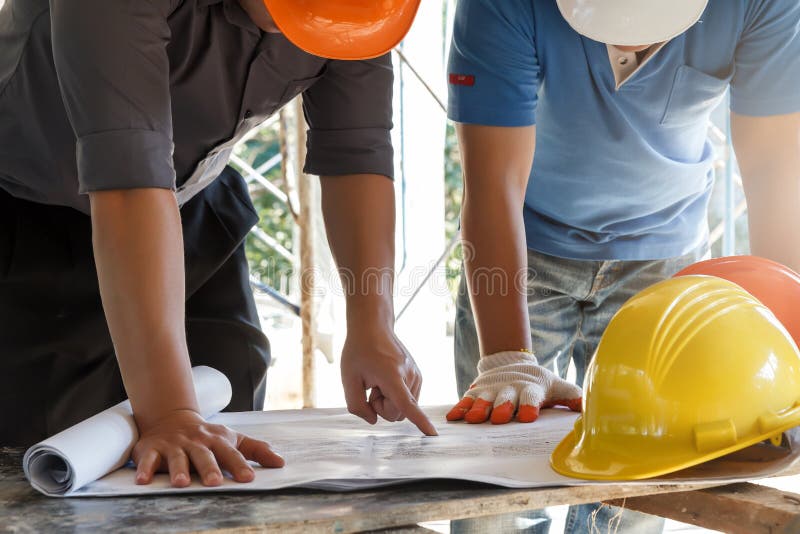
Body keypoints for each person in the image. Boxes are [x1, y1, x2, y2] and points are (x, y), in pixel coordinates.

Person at [0, 0, 436, 488]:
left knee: (230, 395)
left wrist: (373, 326)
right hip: (26, 206)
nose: (311, 32)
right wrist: (168, 413)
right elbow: (126, 181)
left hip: (189, 195)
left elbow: (357, 156)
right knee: (48, 454)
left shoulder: (360, 11)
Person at [446, 0, 800, 532]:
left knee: (633, 496)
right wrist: (506, 357)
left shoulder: (763, 4)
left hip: (663, 266)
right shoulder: (504, 4)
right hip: (525, 251)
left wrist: (788, 347)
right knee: (497, 487)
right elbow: (492, 183)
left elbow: (775, 169)